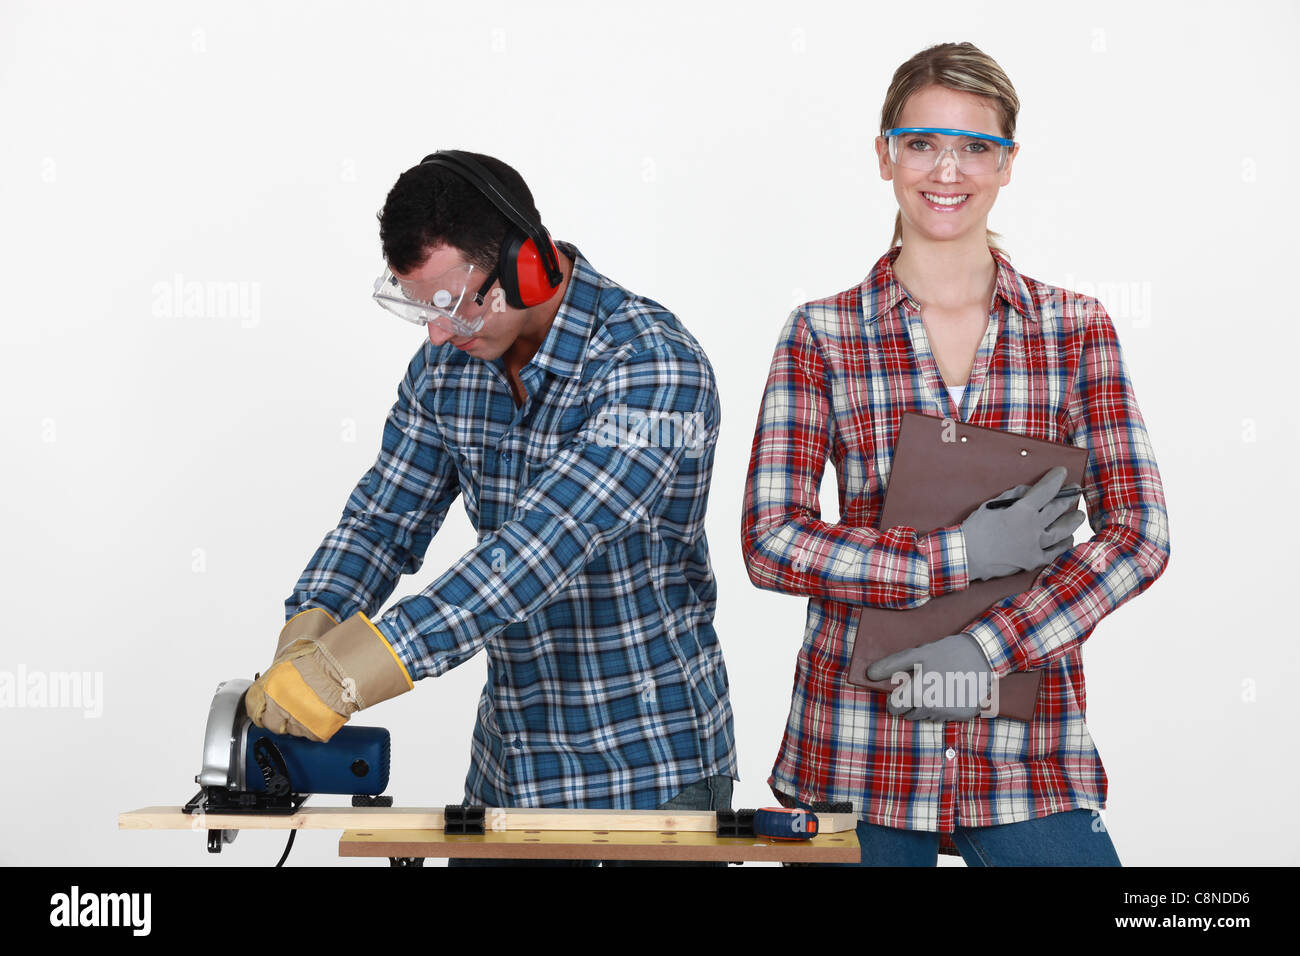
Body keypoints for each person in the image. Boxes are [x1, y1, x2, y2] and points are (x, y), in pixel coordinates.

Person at [740, 42, 1170, 866]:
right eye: (924, 142)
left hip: (1027, 757)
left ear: (1008, 164)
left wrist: (986, 646)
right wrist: (957, 555)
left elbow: (1140, 536)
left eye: (977, 146)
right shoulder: (821, 335)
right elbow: (770, 541)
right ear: (885, 154)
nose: (949, 169)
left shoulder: (1074, 330)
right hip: (856, 750)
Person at [246, 150, 737, 865]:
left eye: (452, 304)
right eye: (420, 309)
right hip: (508, 772)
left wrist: (352, 671)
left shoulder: (653, 368)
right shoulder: (447, 368)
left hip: (647, 774)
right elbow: (381, 524)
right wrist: (309, 632)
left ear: (529, 263)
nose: (438, 334)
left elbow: (539, 551)